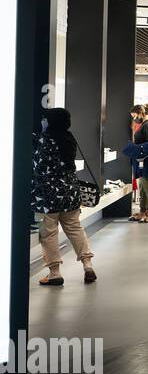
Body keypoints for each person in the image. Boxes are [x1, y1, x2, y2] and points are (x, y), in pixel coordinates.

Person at [32, 107, 96, 286]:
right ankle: (87, 264)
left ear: (50, 121)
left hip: (47, 195)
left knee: (49, 233)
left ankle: (54, 273)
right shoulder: (69, 138)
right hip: (70, 192)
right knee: (75, 228)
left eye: (45, 119)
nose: (43, 122)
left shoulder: (42, 140)